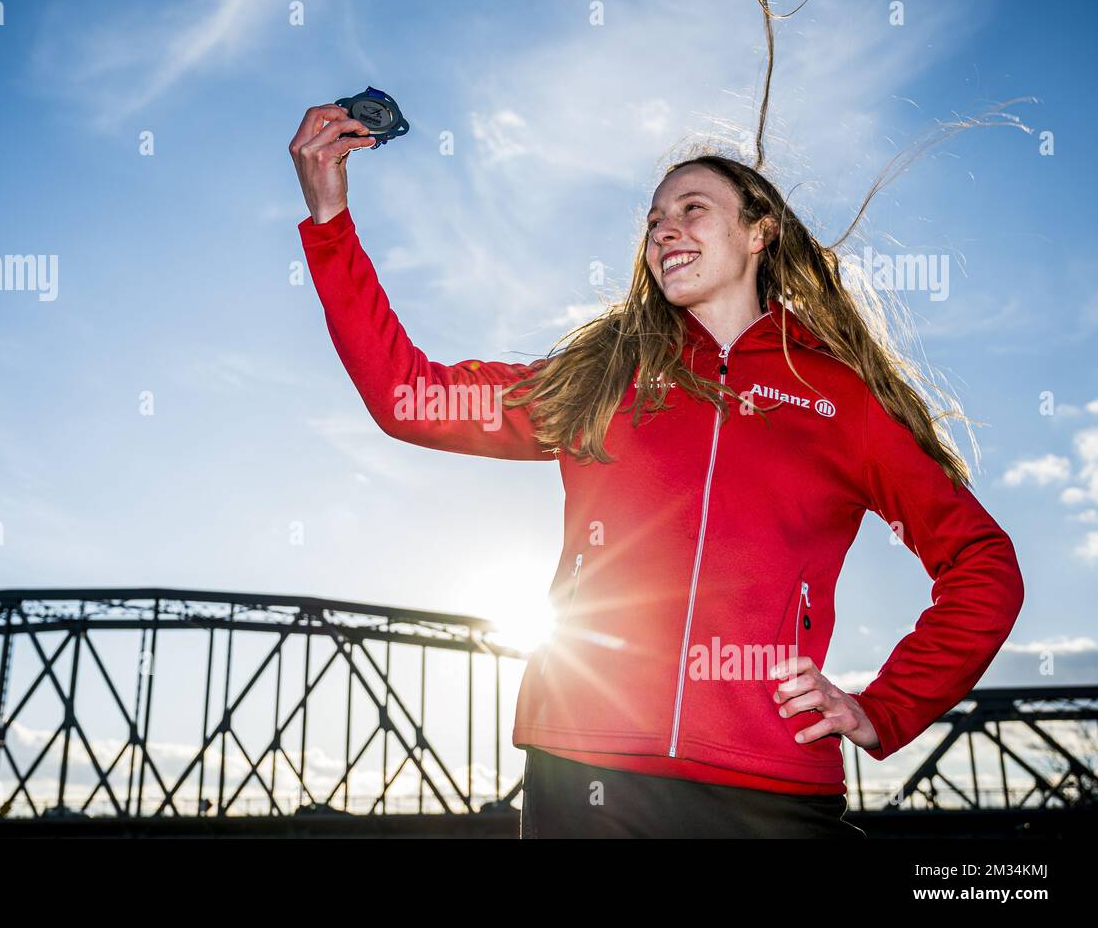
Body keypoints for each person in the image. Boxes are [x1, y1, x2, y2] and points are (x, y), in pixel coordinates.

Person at [288, 105, 1025, 838]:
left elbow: (982, 564)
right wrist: (329, 221)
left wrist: (886, 706)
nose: (664, 229)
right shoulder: (602, 381)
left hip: (769, 789)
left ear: (759, 233)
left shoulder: (840, 402)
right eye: (653, 220)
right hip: (585, 776)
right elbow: (405, 397)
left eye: (693, 210)